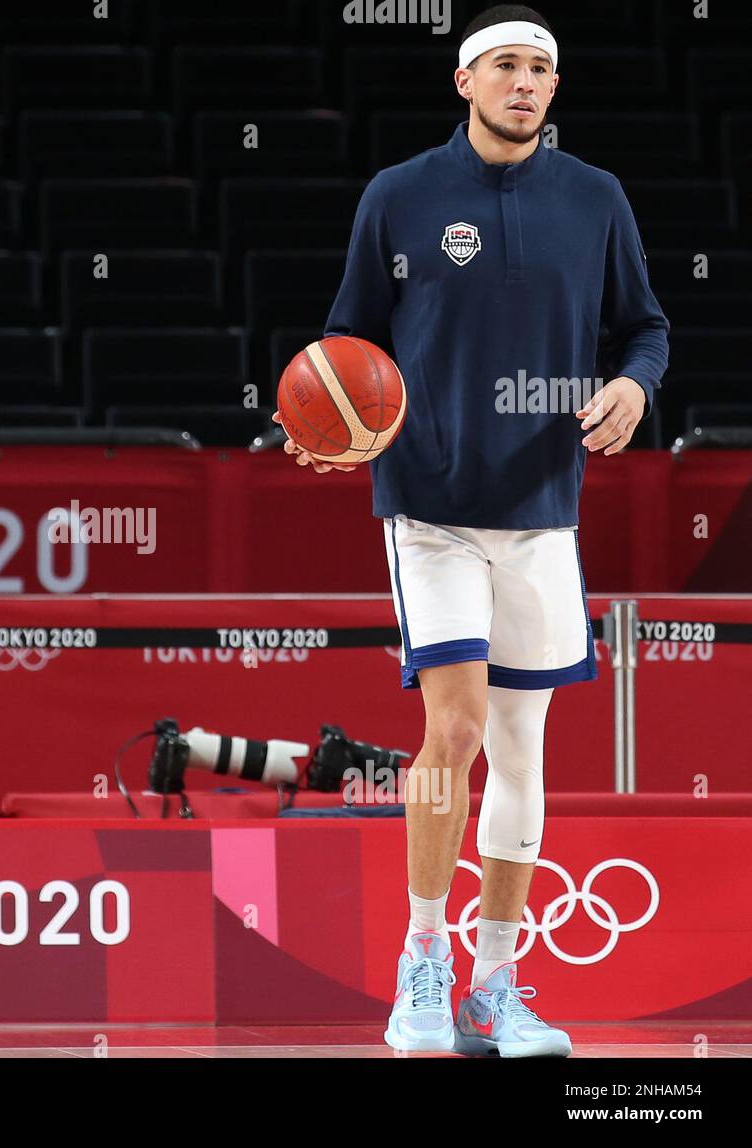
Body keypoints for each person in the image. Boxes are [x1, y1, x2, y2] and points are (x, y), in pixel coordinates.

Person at [272, 4, 669, 1056]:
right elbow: (347, 340)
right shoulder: (398, 195)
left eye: (540, 67)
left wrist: (632, 388)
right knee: (449, 727)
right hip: (430, 504)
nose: (525, 82)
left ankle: (495, 984)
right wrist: (331, 426)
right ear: (464, 81)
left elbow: (645, 327)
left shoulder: (596, 198)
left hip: (542, 507)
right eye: (505, 64)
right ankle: (422, 966)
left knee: (520, 750)